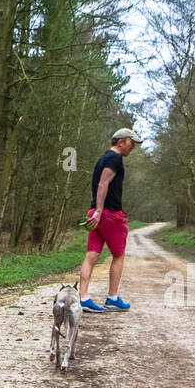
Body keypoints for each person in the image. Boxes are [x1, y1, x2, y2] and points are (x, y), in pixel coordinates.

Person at [79, 127, 142, 312]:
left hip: (96, 213)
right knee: (118, 254)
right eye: (132, 143)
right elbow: (103, 184)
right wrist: (100, 211)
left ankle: (83, 298)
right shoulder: (115, 159)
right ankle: (112, 298)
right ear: (120, 141)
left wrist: (95, 212)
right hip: (109, 214)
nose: (133, 147)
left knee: (92, 255)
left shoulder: (103, 158)